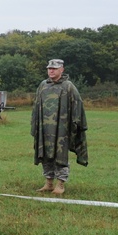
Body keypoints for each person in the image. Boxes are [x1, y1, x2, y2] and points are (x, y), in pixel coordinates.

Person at [31, 58, 88, 195]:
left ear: (61, 70)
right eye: (49, 68)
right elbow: (36, 106)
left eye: (54, 68)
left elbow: (77, 106)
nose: (51, 71)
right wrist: (35, 124)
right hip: (44, 128)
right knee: (44, 153)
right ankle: (48, 183)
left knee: (60, 154)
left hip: (62, 129)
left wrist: (75, 125)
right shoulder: (43, 85)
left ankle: (60, 184)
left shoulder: (68, 86)